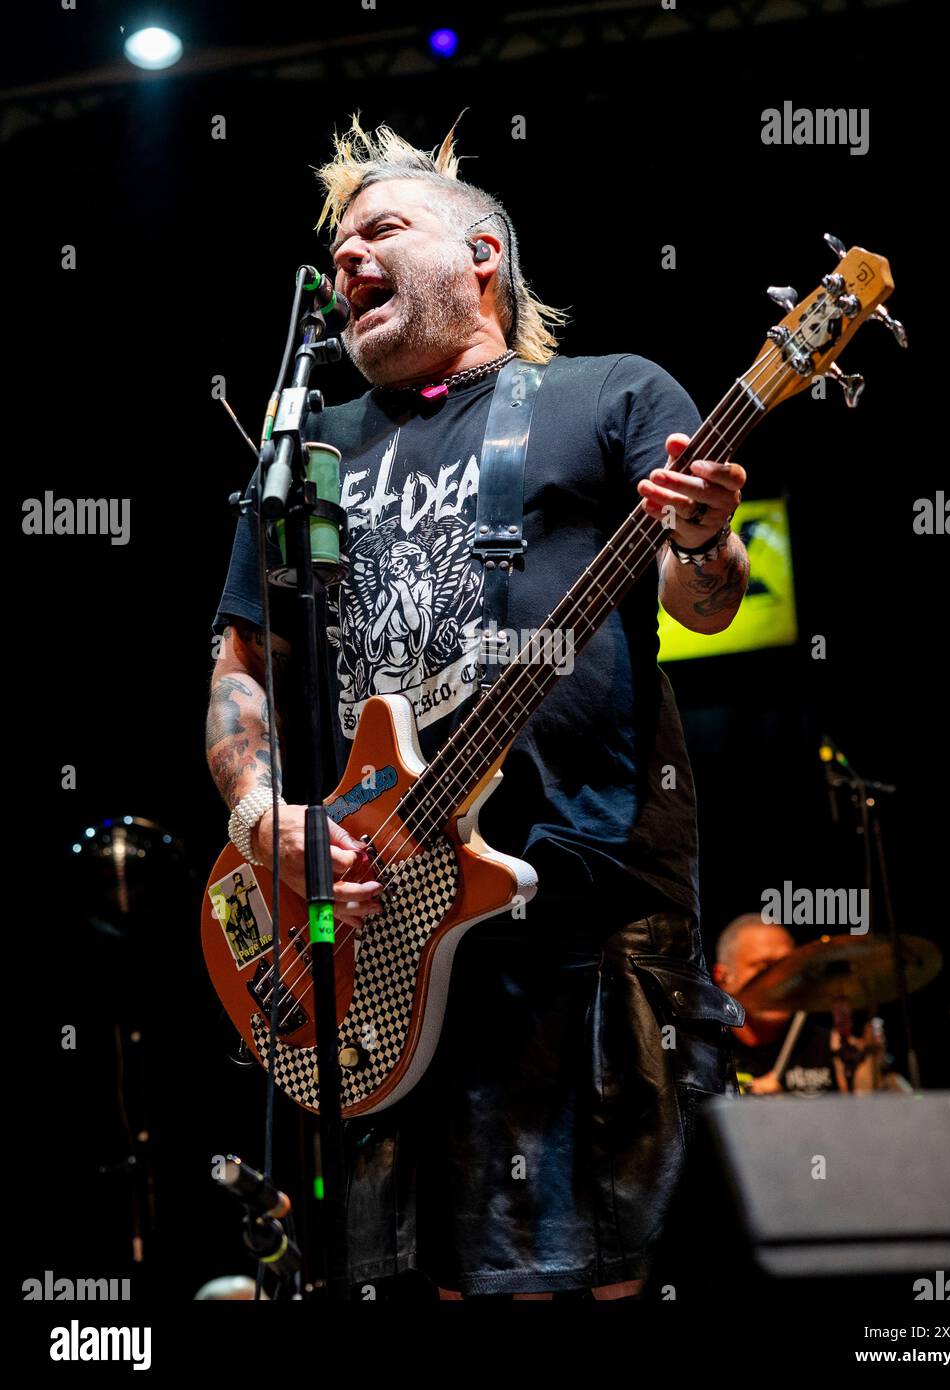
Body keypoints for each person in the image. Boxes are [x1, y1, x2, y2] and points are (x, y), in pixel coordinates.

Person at [206, 113, 751, 1300]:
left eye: (381, 231)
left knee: (597, 1276)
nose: (347, 259)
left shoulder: (604, 394)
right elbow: (241, 663)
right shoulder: (307, 455)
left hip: (577, 922)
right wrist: (269, 827)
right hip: (380, 933)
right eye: (337, 249)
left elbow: (702, 602)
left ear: (481, 256)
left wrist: (706, 539)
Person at [712, 913, 888, 1096]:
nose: (779, 980)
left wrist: (865, 1072)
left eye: (787, 968)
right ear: (723, 977)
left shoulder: (832, 1046)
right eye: (764, 967)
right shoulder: (705, 1050)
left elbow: (862, 1118)